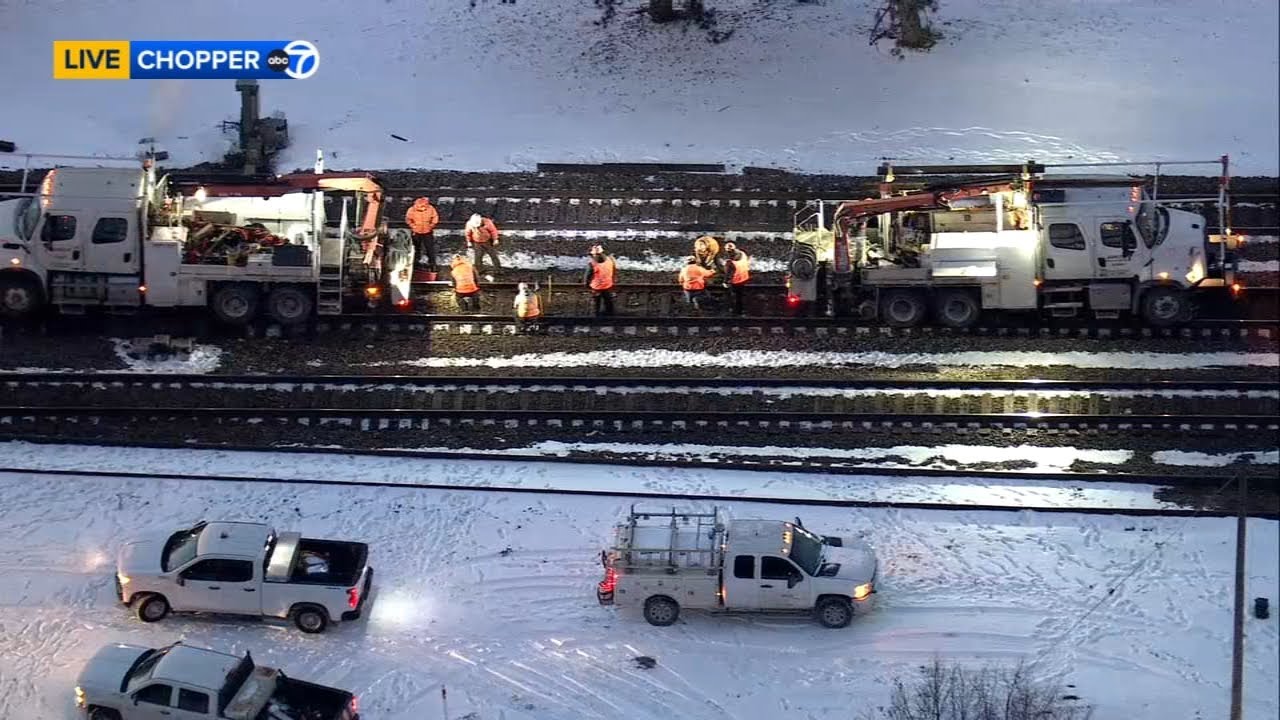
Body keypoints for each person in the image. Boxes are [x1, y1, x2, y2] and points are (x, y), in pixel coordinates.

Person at [405, 197, 440, 269]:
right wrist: (413, 226)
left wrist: (431, 225)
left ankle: (432, 263)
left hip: (427, 231)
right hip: (417, 232)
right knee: (416, 248)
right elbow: (408, 219)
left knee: (430, 248)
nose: (423, 208)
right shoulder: (411, 210)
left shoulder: (430, 208)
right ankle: (415, 263)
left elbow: (435, 217)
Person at [583, 243, 616, 317]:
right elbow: (613, 270)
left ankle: (596, 316)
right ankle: (610, 315)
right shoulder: (610, 260)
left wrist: (587, 286)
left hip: (596, 287)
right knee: (608, 301)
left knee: (596, 302)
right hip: (608, 284)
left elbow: (587, 277)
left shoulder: (592, 264)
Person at [722, 241, 750, 316]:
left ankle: (736, 311)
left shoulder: (730, 262)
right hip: (744, 277)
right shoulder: (743, 254)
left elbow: (728, 274)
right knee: (740, 294)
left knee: (735, 296)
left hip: (736, 281)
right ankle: (741, 308)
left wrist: (725, 282)